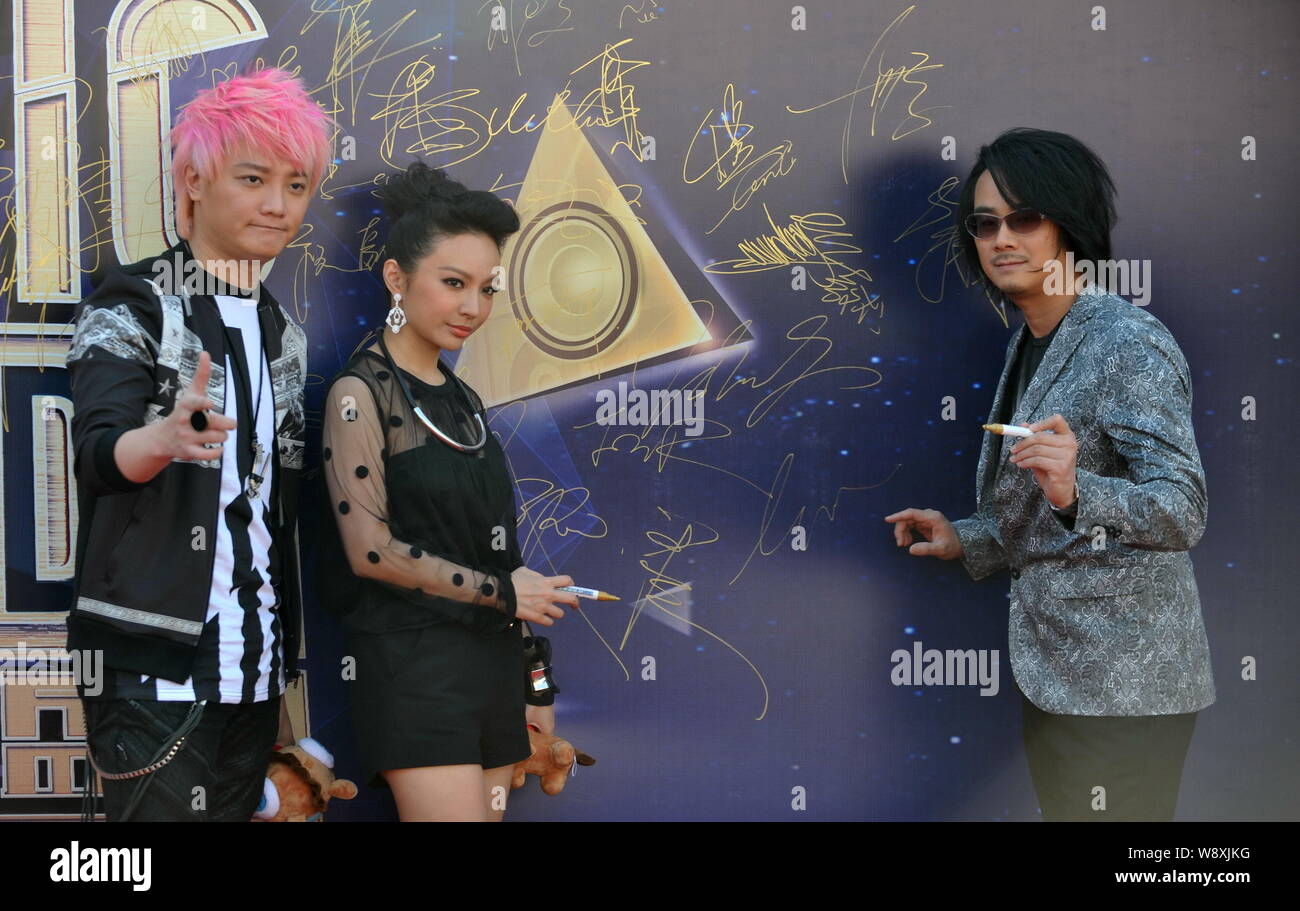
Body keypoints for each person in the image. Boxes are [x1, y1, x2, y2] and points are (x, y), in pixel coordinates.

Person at [885, 128, 1214, 821]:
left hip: (1129, 691)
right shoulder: (1031, 340)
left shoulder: (1125, 341)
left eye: (1025, 217)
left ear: (1071, 226)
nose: (1003, 237)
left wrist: (1078, 489)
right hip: (1057, 679)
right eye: (985, 223)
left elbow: (1183, 508)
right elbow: (1049, 517)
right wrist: (967, 537)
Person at [65, 68, 334, 820]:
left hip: (255, 675)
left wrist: (279, 693)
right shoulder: (135, 300)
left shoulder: (286, 335)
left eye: (297, 184)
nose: (278, 205)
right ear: (192, 178)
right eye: (253, 178)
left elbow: (265, 518)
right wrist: (161, 438)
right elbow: (97, 452)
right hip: (150, 670)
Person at [318, 161, 578, 822]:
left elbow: (505, 556)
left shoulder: (463, 399)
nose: (473, 307)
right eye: (454, 283)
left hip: (490, 670)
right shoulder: (359, 394)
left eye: (487, 288)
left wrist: (535, 679)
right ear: (397, 279)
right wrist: (501, 592)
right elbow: (369, 551)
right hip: (414, 671)